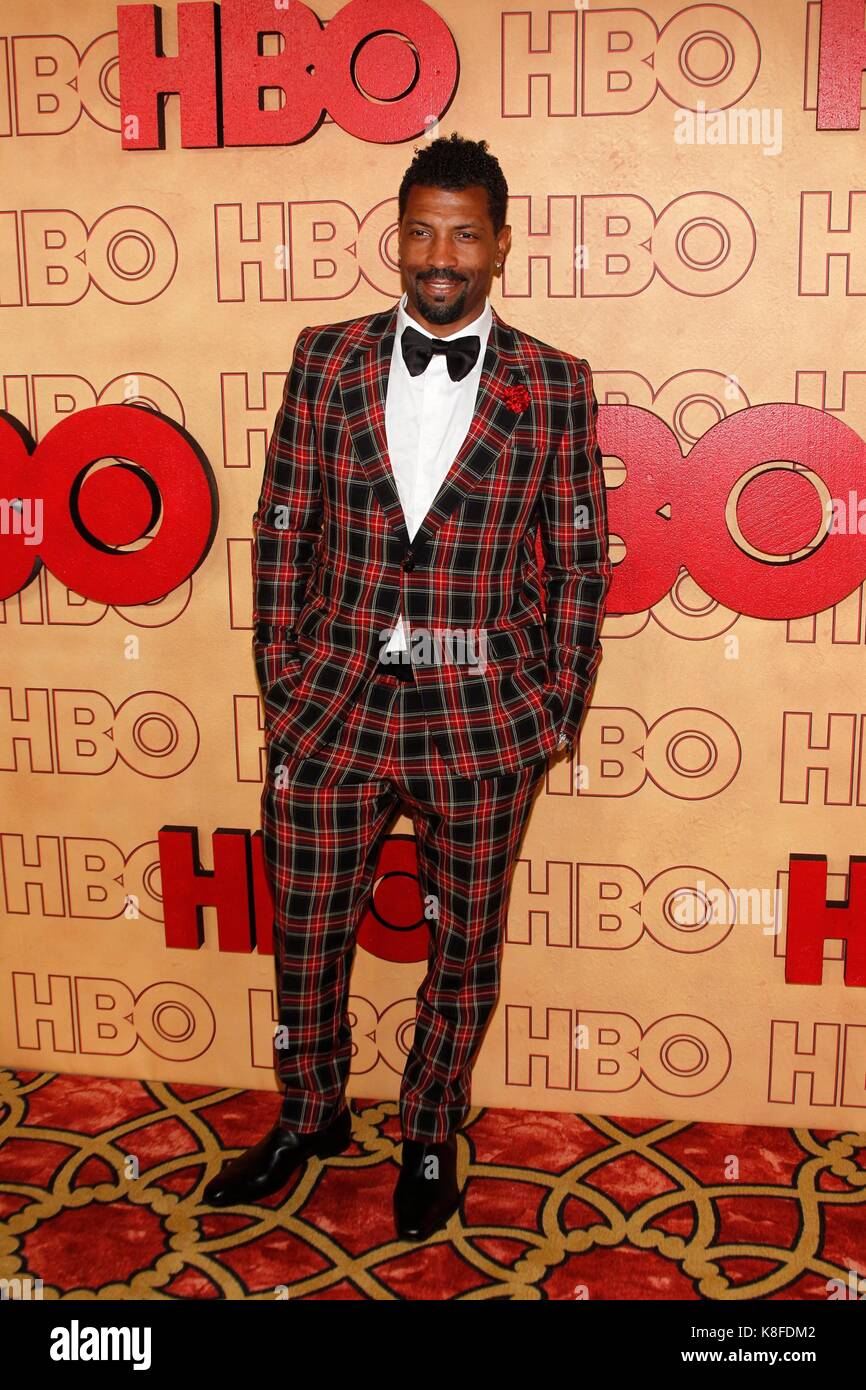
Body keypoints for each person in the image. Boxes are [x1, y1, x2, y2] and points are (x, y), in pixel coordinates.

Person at [203, 134, 612, 1241]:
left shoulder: (553, 383)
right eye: (422, 229)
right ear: (397, 235)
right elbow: (282, 522)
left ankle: (430, 1126)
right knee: (305, 929)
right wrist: (283, 682)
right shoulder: (322, 356)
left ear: (500, 244)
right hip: (330, 705)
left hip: (484, 721)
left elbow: (576, 557)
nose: (441, 254)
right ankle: (309, 1114)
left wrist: (553, 708)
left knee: (463, 945)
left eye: (464, 233)